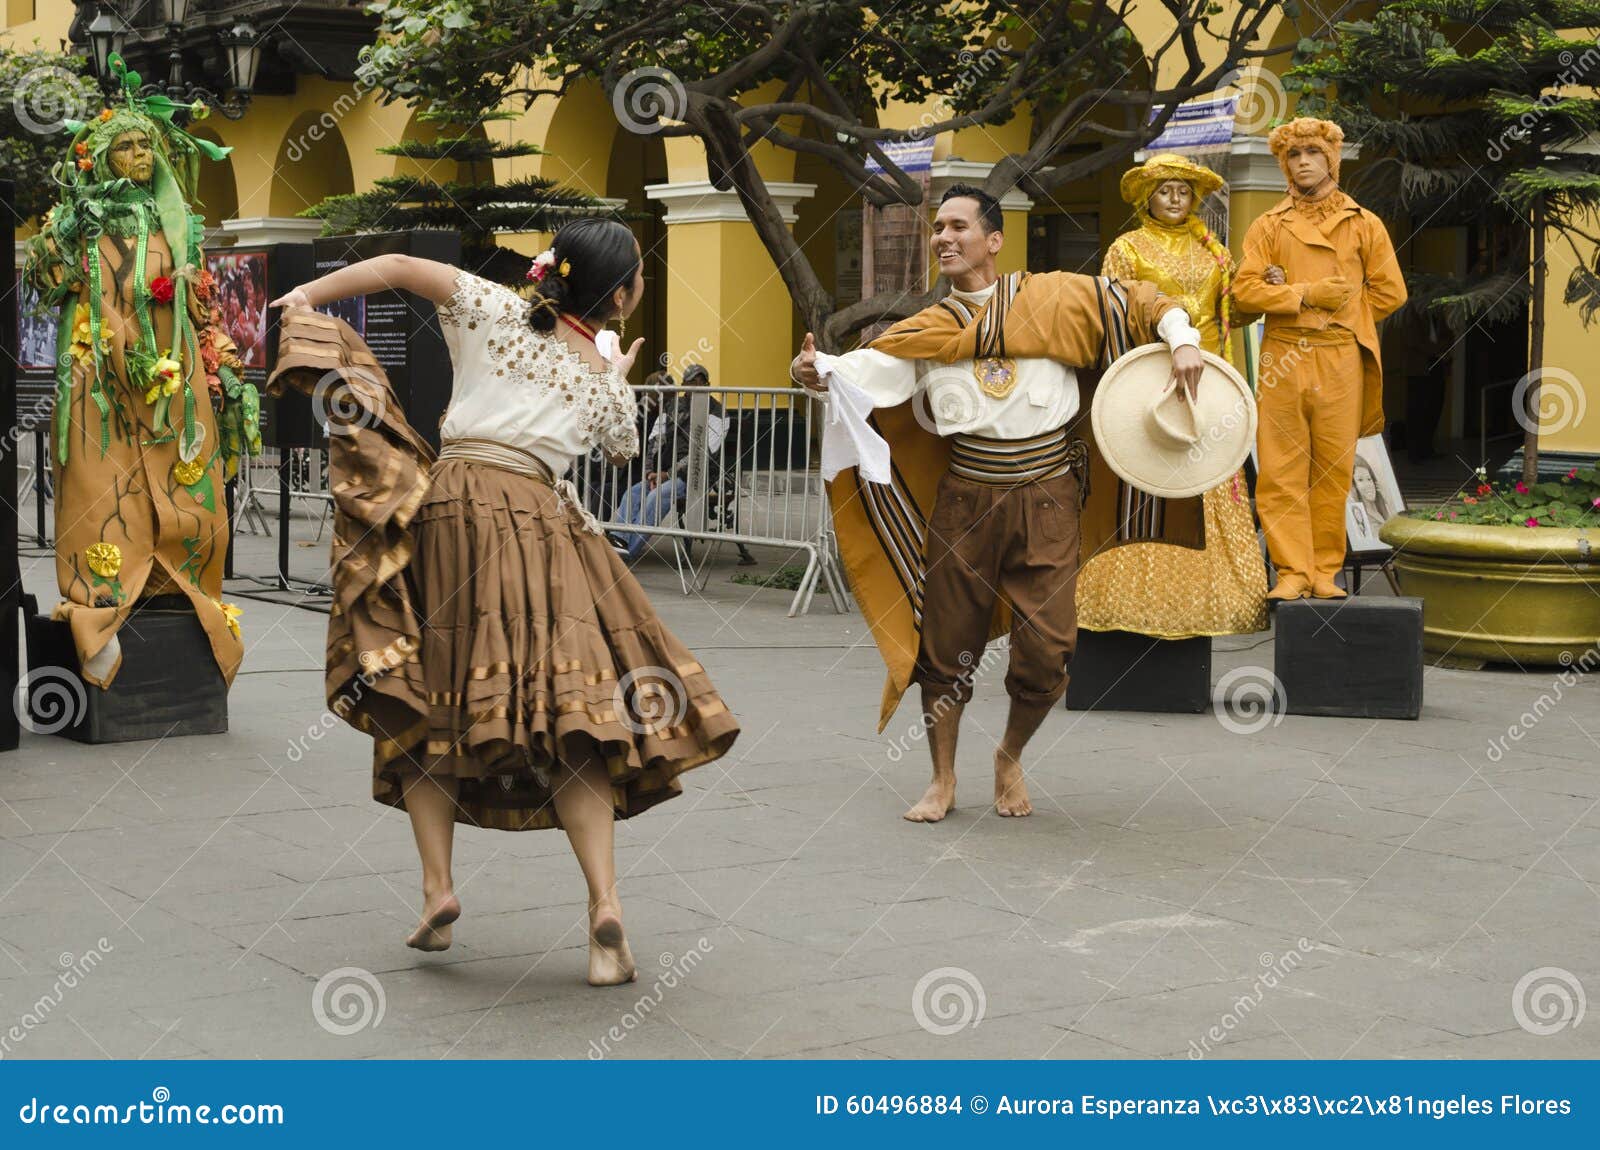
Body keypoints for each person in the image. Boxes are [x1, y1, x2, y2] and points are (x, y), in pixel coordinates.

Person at [267, 218, 740, 984]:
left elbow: (393, 262)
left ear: (551, 269)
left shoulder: (492, 305)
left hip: (450, 508)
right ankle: (604, 908)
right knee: (575, 711)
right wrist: (613, 370)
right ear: (621, 295)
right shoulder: (595, 372)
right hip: (543, 526)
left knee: (429, 695)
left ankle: (437, 891)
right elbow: (621, 444)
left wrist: (306, 294)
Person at [792, 184, 1204, 823]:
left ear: (993, 239)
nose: (943, 237)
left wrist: (1182, 339)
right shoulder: (929, 328)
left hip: (1048, 495)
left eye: (957, 226)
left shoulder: (1059, 297)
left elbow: (1145, 302)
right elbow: (867, 374)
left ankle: (1009, 754)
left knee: (1050, 648)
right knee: (946, 644)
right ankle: (941, 777)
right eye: (937, 228)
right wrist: (821, 373)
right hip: (964, 499)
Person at [22, 55, 258, 689]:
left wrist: (212, 348)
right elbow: (42, 279)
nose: (139, 156)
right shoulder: (75, 223)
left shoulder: (176, 224)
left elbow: (203, 304)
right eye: (124, 147)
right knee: (103, 488)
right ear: (100, 159)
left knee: (183, 486)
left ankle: (174, 588)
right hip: (98, 383)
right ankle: (100, 602)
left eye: (145, 145)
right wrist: (68, 228)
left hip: (173, 382)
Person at [1081, 154, 1268, 638]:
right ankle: (1133, 606)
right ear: (1148, 197)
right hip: (1149, 382)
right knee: (1148, 478)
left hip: (1209, 381)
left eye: (1183, 192)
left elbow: (1233, 313)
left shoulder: (1216, 253)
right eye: (1165, 190)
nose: (1174, 200)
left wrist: (1266, 288)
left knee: (1203, 471)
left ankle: (1214, 604)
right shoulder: (1128, 248)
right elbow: (1113, 309)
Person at [1233, 117, 1408, 601]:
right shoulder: (1268, 225)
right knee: (1279, 469)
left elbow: (1391, 292)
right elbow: (1244, 292)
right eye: (1293, 154)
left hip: (1339, 358)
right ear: (1283, 163)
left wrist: (1343, 317)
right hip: (1283, 356)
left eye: (1312, 152)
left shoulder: (1363, 223)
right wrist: (1305, 294)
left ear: (1330, 158)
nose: (1303, 162)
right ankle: (1291, 571)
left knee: (1333, 469)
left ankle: (1325, 571)